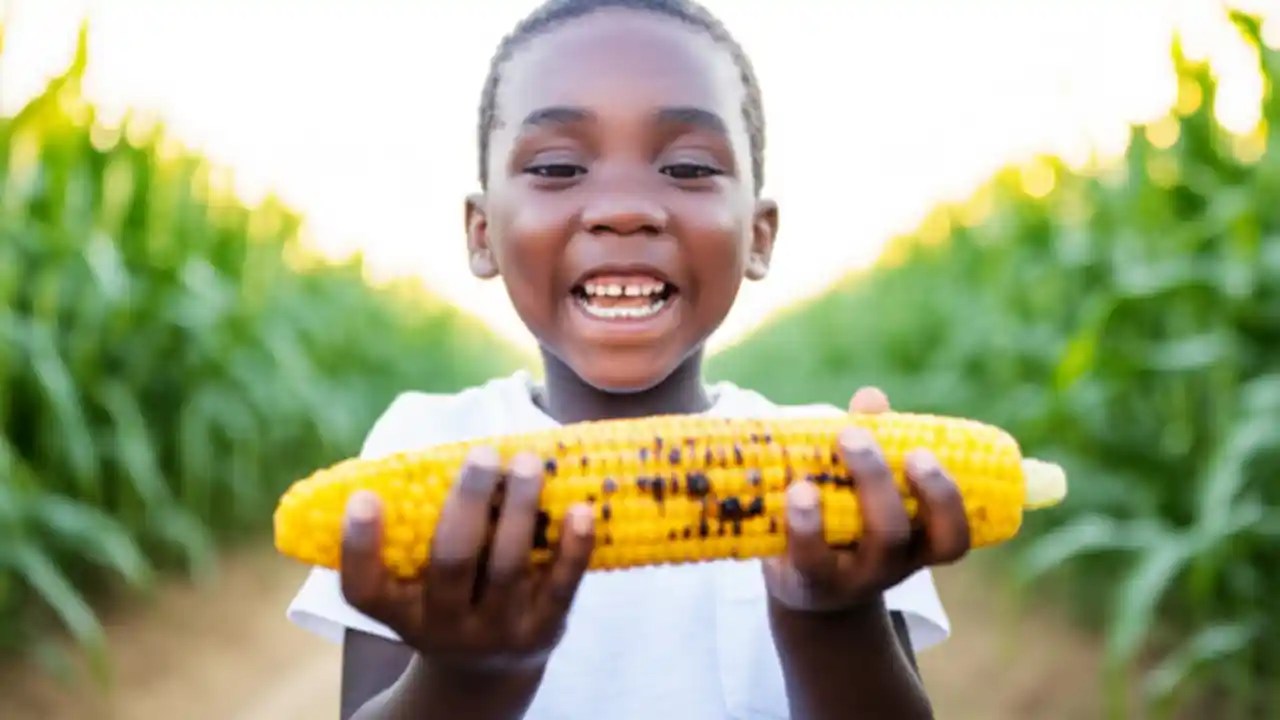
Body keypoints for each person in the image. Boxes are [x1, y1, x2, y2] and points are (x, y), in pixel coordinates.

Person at [285, 1, 972, 717]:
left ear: (758, 236)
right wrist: (468, 677)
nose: (622, 208)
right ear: (482, 231)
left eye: (686, 166)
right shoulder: (426, 444)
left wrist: (832, 619)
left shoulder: (832, 475)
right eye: (557, 166)